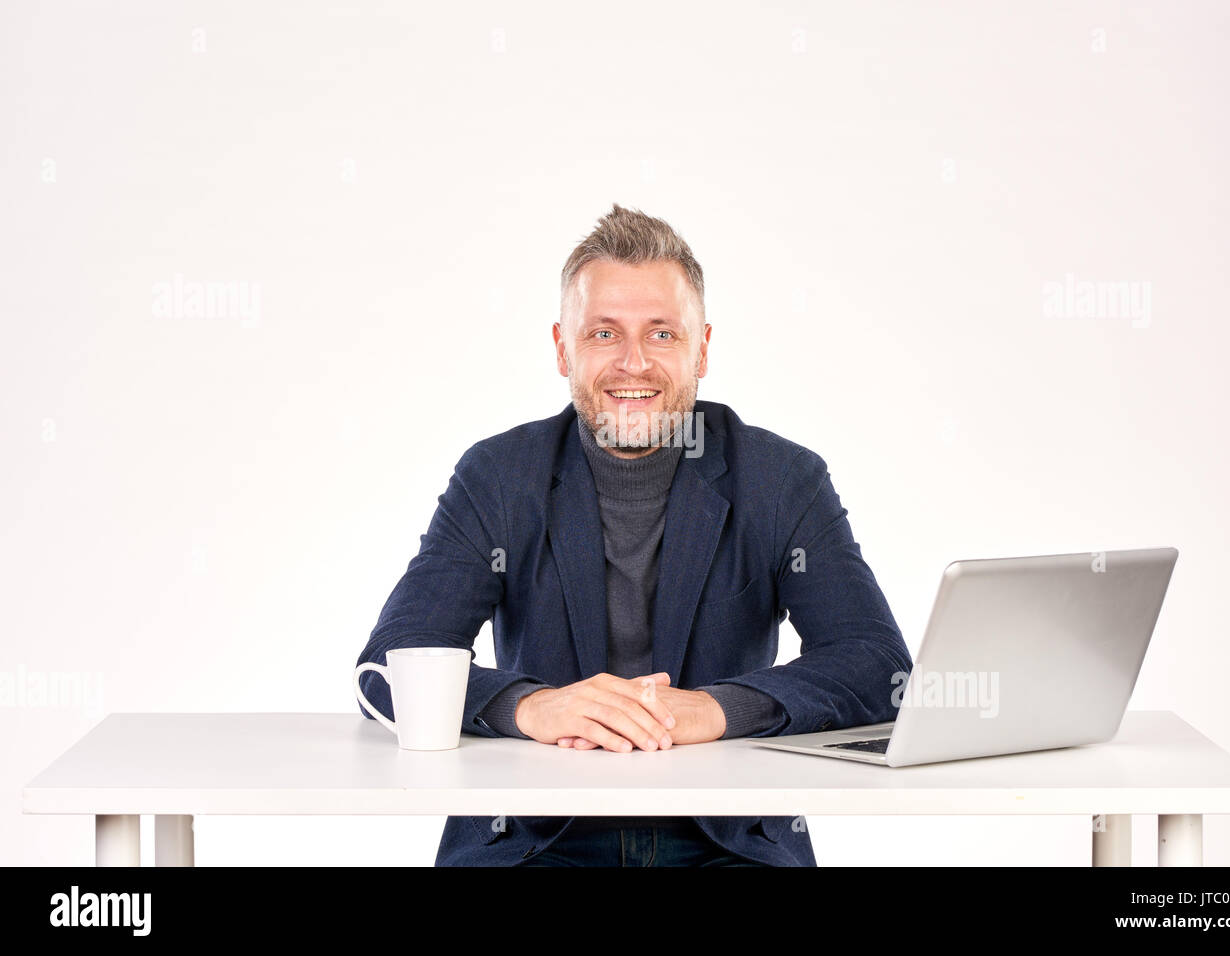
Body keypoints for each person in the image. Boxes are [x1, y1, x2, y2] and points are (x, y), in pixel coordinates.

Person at [355, 203, 912, 866]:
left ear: (702, 347)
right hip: (533, 840)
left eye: (662, 335)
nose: (633, 363)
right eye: (603, 334)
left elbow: (878, 666)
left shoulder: (782, 478)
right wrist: (531, 707)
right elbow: (390, 668)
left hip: (729, 840)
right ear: (563, 349)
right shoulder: (500, 477)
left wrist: (716, 710)